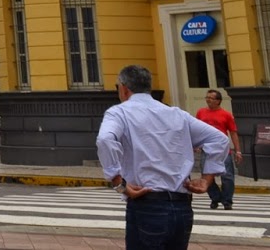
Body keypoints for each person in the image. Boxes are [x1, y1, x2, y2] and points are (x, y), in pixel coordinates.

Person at [97, 65, 230, 250]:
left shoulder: (119, 112)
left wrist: (118, 182)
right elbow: (219, 139)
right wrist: (207, 178)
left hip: (146, 202)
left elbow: (105, 139)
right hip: (181, 205)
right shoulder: (177, 114)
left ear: (124, 88)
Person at [194, 89, 241, 211]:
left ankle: (227, 200)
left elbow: (233, 132)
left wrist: (238, 150)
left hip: (223, 150)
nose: (208, 100)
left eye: (211, 98)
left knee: (227, 176)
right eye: (207, 97)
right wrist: (196, 144)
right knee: (207, 176)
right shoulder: (201, 113)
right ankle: (215, 198)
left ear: (218, 101)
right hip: (207, 149)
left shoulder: (226, 115)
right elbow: (197, 130)